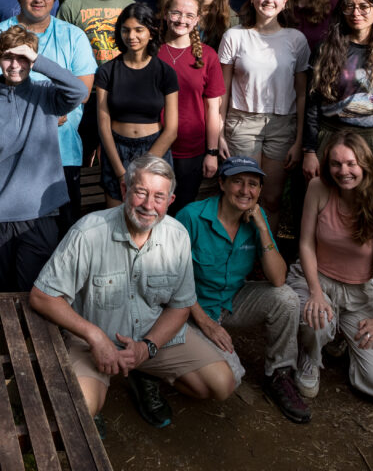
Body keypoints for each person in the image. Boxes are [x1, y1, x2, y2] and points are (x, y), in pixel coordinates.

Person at [31, 155, 239, 431]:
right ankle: (97, 400)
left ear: (170, 201)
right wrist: (94, 336)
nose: (148, 205)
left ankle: (142, 373)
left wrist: (148, 347)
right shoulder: (89, 232)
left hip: (151, 337)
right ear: (125, 191)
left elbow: (181, 305)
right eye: (140, 192)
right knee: (78, 412)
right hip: (92, 341)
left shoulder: (177, 236)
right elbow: (42, 296)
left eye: (158, 197)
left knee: (221, 385)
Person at [176, 155, 311, 423]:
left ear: (260, 191)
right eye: (237, 182)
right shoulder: (191, 217)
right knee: (232, 377)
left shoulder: (255, 220)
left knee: (286, 299)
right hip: (192, 309)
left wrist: (262, 228)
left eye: (253, 184)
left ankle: (279, 374)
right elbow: (173, 281)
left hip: (232, 300)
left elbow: (278, 279)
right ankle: (160, 369)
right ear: (222, 183)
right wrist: (206, 323)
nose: (245, 190)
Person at [0, 26, 90, 291]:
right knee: (1, 292)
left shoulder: (47, 95)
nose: (15, 65)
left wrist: (37, 59)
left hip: (40, 214)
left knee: (37, 293)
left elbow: (78, 91)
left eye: (23, 58)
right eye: (8, 57)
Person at [288, 132, 373, 405]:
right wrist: (316, 292)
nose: (343, 171)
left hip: (358, 295)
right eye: (335, 164)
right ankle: (311, 353)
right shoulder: (318, 187)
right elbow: (306, 244)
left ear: (365, 164)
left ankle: (345, 340)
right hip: (315, 279)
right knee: (316, 319)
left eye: (351, 163)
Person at [0, 0, 97, 227]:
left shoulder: (73, 36)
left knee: (64, 237)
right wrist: (41, 116)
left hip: (63, 154)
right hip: (9, 156)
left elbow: (83, 91)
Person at [217, 0, 311, 224]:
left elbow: (302, 93)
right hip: (242, 123)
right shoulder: (234, 36)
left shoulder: (296, 40)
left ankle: (268, 255)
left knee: (272, 198)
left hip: (282, 125)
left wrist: (299, 139)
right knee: (241, 196)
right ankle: (239, 254)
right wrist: (219, 132)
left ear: (285, 2)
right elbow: (222, 89)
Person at [302, 0, 373, 191]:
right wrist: (309, 150)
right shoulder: (326, 49)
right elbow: (312, 104)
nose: (356, 12)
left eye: (364, 6)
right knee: (326, 206)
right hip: (331, 136)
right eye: (349, 6)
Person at [95, 2, 179, 205]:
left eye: (138, 30)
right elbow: (103, 125)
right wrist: (120, 172)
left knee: (151, 217)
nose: (131, 36)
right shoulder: (107, 71)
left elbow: (172, 129)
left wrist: (143, 168)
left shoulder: (165, 72)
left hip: (154, 151)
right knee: (116, 221)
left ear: (151, 32)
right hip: (116, 150)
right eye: (126, 30)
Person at [158, 0, 226, 212]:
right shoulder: (151, 51)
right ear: (166, 15)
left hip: (192, 151)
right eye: (176, 13)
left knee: (183, 210)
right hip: (155, 146)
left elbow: (213, 109)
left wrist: (212, 152)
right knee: (155, 209)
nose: (181, 20)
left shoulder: (207, 56)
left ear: (197, 20)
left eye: (189, 15)